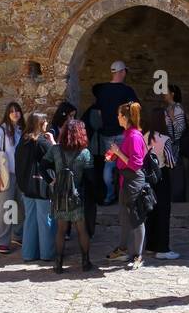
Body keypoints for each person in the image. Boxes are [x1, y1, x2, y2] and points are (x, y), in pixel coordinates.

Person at [105, 101, 148, 269]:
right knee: (124, 216)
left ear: (125, 117)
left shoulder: (134, 136)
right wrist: (114, 155)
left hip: (134, 181)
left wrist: (118, 153)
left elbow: (136, 164)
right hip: (126, 180)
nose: (117, 117)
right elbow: (126, 157)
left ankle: (138, 255)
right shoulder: (128, 134)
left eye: (119, 115)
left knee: (136, 218)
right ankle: (123, 249)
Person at [48, 117, 94, 273]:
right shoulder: (85, 153)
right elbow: (90, 178)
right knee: (82, 230)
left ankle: (58, 264)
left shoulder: (55, 150)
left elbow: (42, 166)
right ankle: (86, 262)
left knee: (61, 230)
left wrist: (51, 180)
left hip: (60, 195)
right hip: (77, 196)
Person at [91, 62, 139, 205]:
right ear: (122, 72)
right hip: (123, 134)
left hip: (107, 135)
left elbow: (98, 112)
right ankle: (126, 195)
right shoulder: (127, 91)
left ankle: (110, 195)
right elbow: (135, 110)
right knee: (127, 163)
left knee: (109, 164)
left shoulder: (102, 90)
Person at [16, 112, 57, 264]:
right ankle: (47, 253)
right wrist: (53, 142)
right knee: (45, 220)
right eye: (45, 122)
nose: (47, 124)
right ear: (40, 124)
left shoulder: (23, 140)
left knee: (30, 220)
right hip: (42, 186)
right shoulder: (42, 142)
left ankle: (28, 253)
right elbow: (56, 157)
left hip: (27, 187)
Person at [0, 102, 23, 254]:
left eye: (17, 111)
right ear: (7, 114)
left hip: (18, 174)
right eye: (11, 111)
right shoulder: (0, 133)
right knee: (5, 207)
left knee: (16, 207)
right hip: (4, 175)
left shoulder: (20, 131)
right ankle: (0, 241)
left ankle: (16, 235)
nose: (15, 113)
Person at [145, 107, 179, 260]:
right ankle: (162, 247)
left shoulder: (144, 137)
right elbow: (171, 163)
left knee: (151, 211)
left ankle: (150, 245)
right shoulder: (165, 140)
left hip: (147, 177)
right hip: (162, 176)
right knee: (163, 212)